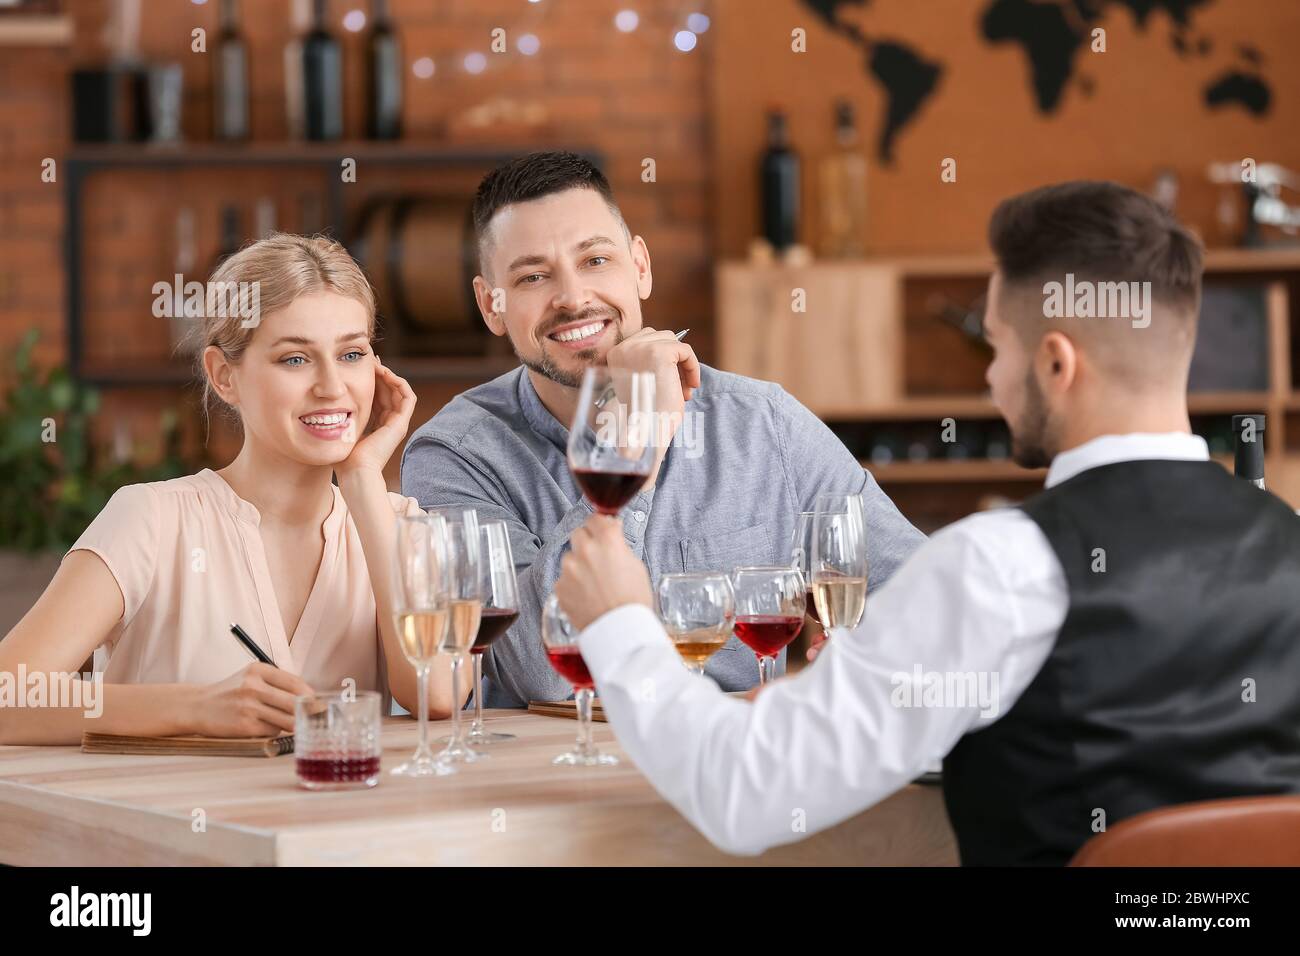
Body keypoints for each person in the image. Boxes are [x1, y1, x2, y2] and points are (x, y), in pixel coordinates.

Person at [554, 181, 1300, 865]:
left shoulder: (1001, 566)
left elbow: (746, 793)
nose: (988, 377)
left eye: (998, 345)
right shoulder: (1287, 541)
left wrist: (621, 622)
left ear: (1056, 365)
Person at [401, 150, 925, 708]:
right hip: (557, 783)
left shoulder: (762, 423)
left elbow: (923, 593)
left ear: (641, 268)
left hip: (734, 764)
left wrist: (861, 659)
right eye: (533, 276)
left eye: (596, 261)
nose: (574, 298)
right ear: (492, 306)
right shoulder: (454, 455)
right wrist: (632, 437)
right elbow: (545, 673)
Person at [0, 233, 466, 746]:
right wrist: (194, 706)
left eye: (352, 354)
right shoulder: (152, 520)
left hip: (335, 826)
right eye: (295, 359)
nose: (333, 386)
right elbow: (9, 694)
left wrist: (361, 480)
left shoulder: (396, 524)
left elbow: (438, 695)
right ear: (225, 376)